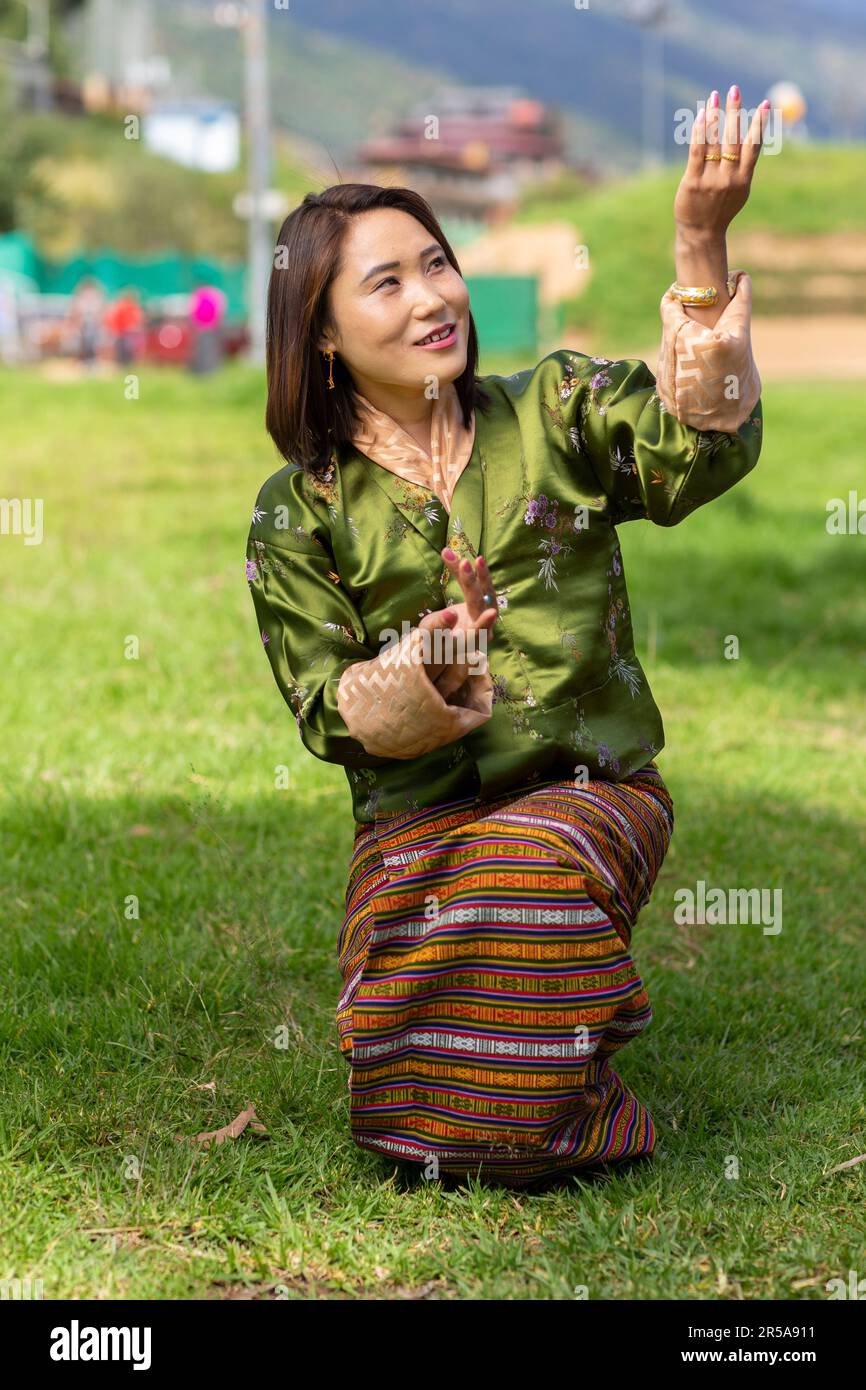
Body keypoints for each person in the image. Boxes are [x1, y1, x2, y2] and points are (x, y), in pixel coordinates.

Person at [245, 88, 768, 1187]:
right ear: (323, 336)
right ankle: (454, 1111)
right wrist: (420, 674)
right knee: (432, 950)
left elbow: (696, 450)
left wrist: (698, 239)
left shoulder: (558, 409)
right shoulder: (297, 511)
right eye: (386, 282)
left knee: (527, 869)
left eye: (437, 263)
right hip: (415, 826)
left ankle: (557, 1123)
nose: (434, 296)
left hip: (588, 797)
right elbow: (321, 706)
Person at [188, 281, 226, 374]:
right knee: (210, 349)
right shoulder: (215, 293)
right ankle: (210, 370)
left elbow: (192, 310)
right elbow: (220, 309)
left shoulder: (198, 295)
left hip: (201, 327)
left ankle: (203, 370)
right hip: (211, 326)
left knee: (202, 350)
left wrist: (193, 323)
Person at [104, 286, 144, 366]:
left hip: (126, 333)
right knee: (124, 351)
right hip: (123, 333)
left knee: (127, 351)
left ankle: (126, 364)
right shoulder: (124, 307)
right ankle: (124, 364)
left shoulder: (130, 307)